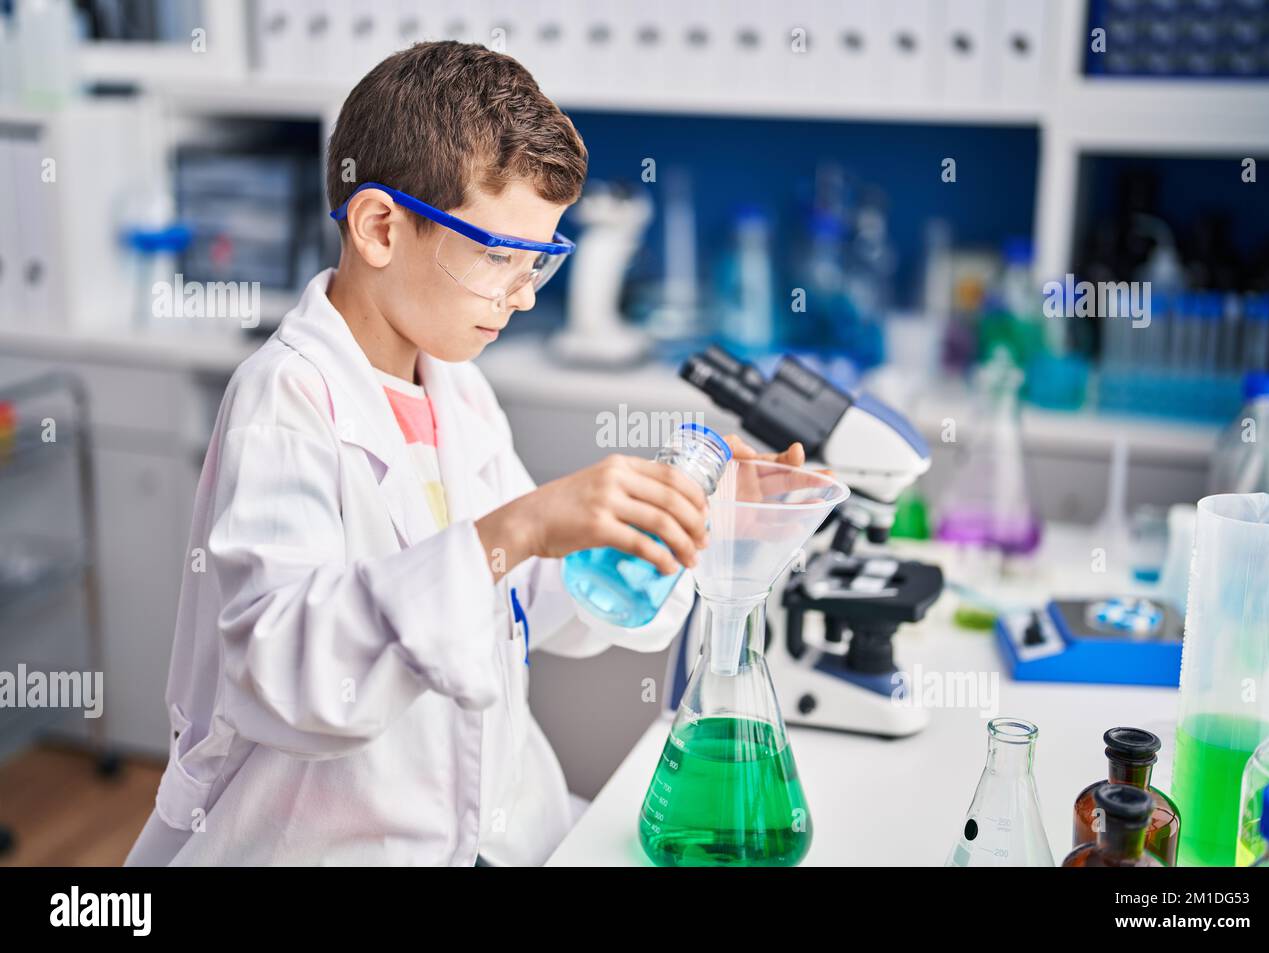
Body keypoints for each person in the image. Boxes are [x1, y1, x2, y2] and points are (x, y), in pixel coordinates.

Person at [124, 41, 803, 866]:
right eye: (497, 256)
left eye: (541, 262)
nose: (521, 296)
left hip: (483, 833)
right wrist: (514, 529)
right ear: (380, 226)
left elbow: (537, 599)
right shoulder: (287, 400)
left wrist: (664, 514)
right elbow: (290, 675)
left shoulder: (456, 389)